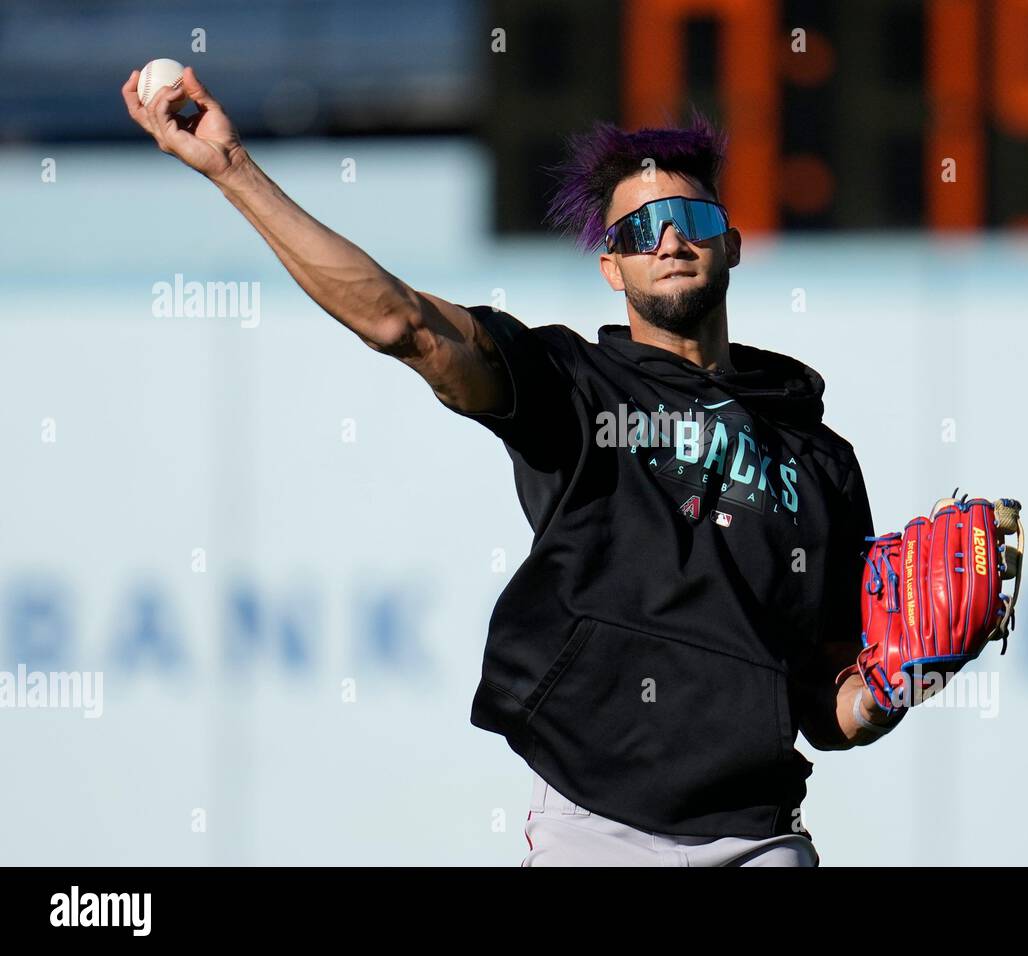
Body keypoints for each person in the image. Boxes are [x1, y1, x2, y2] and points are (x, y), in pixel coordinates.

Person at [122, 67, 905, 867]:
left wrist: (897, 687)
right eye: (638, 231)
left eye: (690, 217)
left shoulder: (820, 458)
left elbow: (828, 703)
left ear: (730, 242)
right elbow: (403, 324)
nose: (667, 241)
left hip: (760, 836)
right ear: (613, 268)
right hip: (597, 832)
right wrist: (233, 170)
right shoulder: (572, 384)